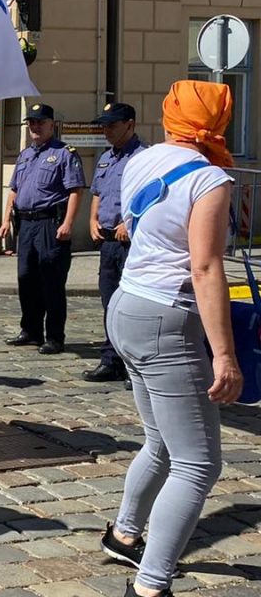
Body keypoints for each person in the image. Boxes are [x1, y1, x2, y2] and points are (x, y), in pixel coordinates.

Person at [104, 81, 242, 597]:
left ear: (172, 117)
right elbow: (205, 268)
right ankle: (150, 585)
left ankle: (123, 534)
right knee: (199, 464)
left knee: (161, 442)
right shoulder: (208, 178)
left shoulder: (143, 161)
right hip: (167, 319)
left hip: (127, 306)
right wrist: (224, 356)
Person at [0, 103, 86, 354]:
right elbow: (14, 190)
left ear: (51, 125)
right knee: (26, 279)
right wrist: (6, 220)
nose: (35, 127)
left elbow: (75, 190)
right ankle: (31, 330)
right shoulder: (25, 155)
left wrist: (68, 223)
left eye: (40, 122)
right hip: (26, 224)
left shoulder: (64, 153)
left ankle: (55, 336)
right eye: (31, 123)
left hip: (50, 224)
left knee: (51, 281)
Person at [86, 102, 146, 384]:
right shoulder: (106, 157)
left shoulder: (143, 158)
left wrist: (129, 222)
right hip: (108, 243)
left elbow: (150, 197)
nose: (106, 131)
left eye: (112, 125)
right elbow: (97, 192)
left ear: (130, 124)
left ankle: (136, 367)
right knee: (110, 304)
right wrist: (92, 219)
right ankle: (111, 361)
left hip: (131, 243)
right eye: (104, 126)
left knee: (132, 307)